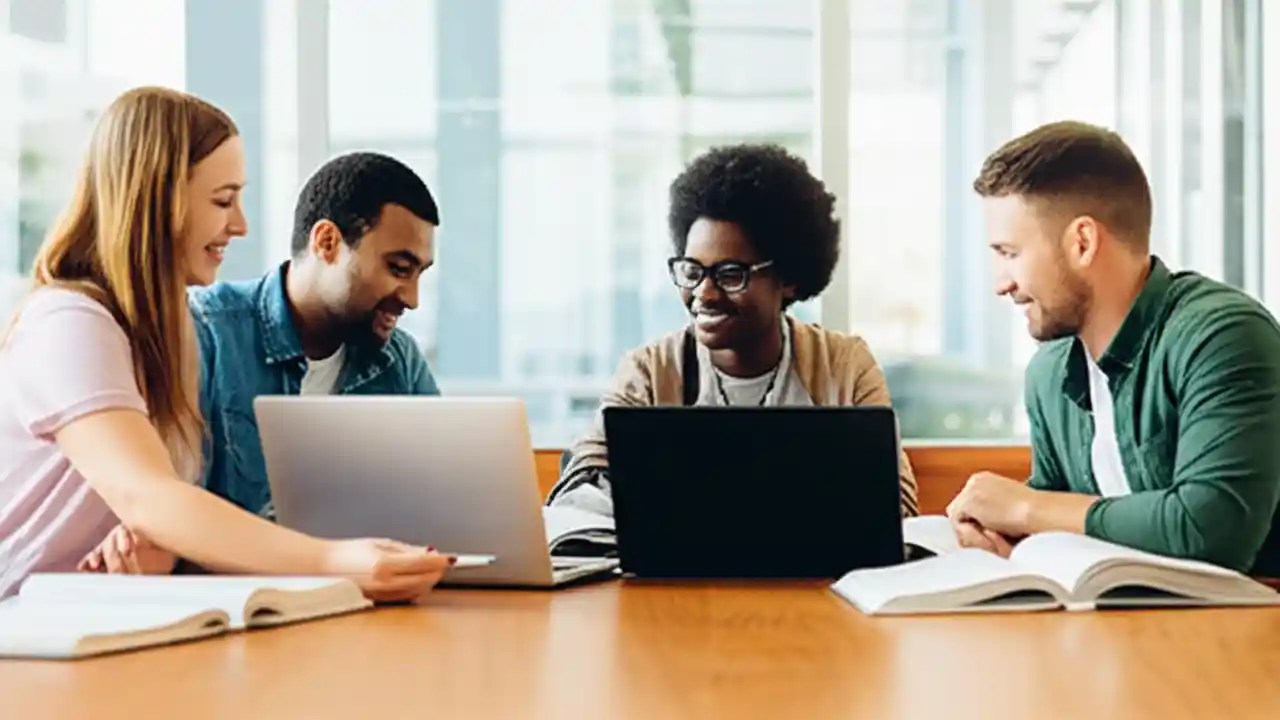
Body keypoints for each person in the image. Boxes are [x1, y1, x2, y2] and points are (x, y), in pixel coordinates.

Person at [0, 87, 450, 600]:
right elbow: (147, 494)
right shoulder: (67, 322)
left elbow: (163, 516)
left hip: (102, 621)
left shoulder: (167, 336)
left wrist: (161, 550)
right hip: (20, 631)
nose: (240, 225)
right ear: (156, 198)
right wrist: (337, 561)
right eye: (223, 200)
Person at [948, 120, 1280, 575]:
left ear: (1082, 243)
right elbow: (1051, 516)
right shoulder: (1049, 373)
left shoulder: (1222, 335)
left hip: (1243, 634)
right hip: (1117, 629)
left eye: (1009, 253)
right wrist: (996, 533)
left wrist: (1027, 510)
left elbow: (1211, 529)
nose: (1000, 284)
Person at [548, 143, 918, 517]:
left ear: (788, 278)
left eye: (729, 275)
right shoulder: (649, 370)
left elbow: (897, 505)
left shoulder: (844, 365)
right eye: (692, 271)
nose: (703, 294)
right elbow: (577, 494)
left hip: (817, 577)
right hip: (672, 576)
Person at [189, 152, 440, 516]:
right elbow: (172, 511)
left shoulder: (400, 363)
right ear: (326, 242)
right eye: (399, 269)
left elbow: (437, 506)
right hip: (243, 573)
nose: (412, 299)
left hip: (362, 573)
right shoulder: (208, 333)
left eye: (420, 274)